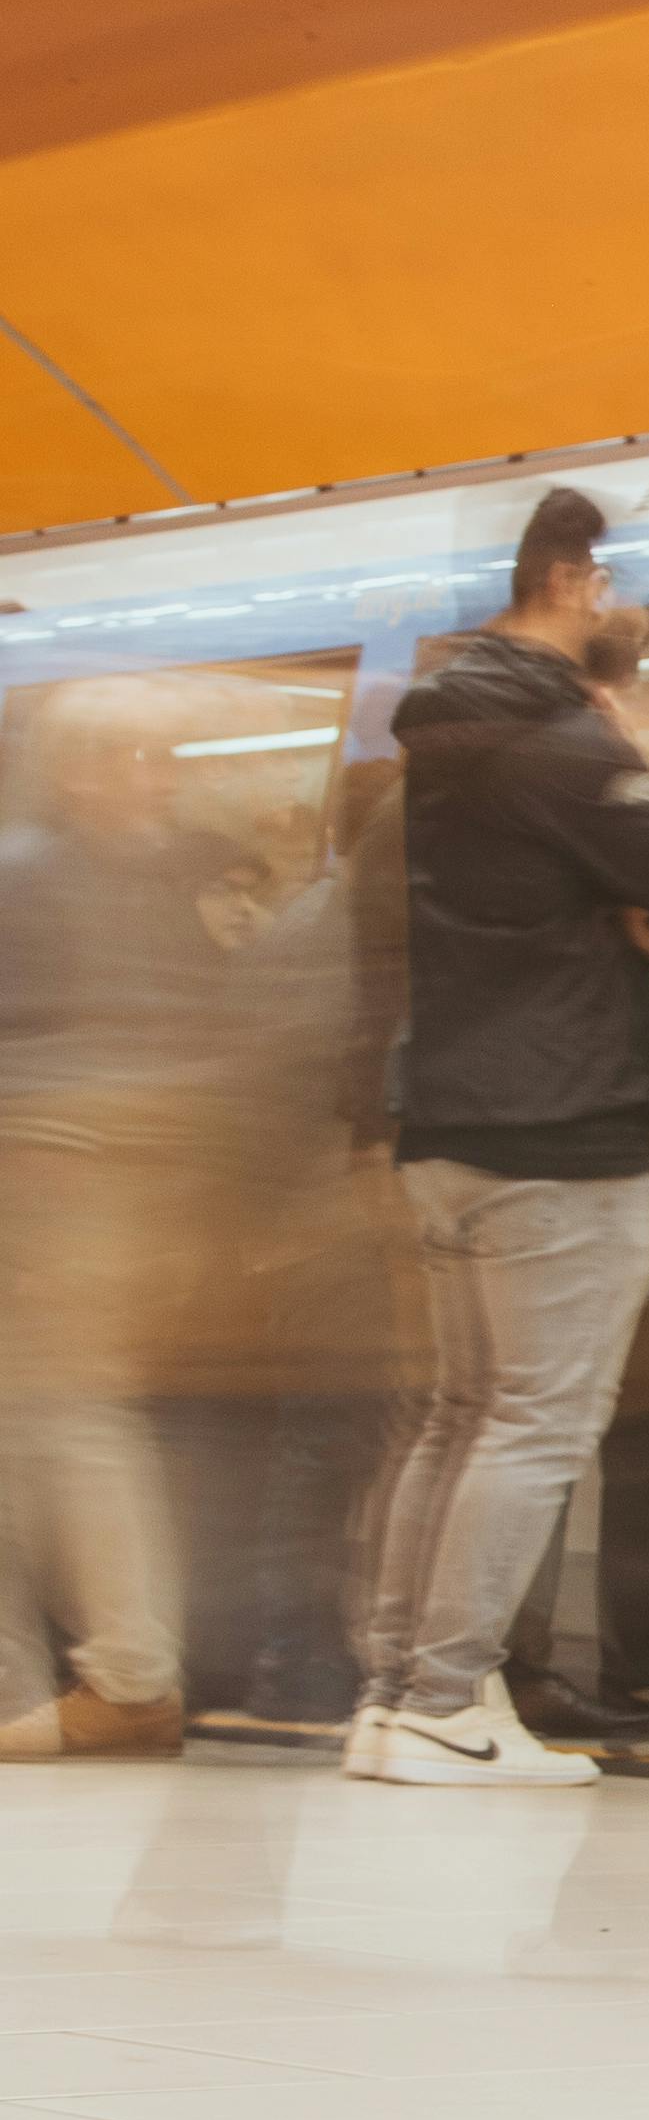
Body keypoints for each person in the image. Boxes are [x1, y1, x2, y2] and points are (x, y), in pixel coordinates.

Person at [348, 488, 649, 1789]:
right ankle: (449, 1699)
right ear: (576, 577)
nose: (647, 615)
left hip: (449, 1121)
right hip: (559, 1127)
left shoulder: (448, 732)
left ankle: (398, 1694)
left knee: (463, 1414)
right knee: (532, 1421)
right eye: (639, 590)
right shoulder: (559, 737)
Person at [0, 681, 226, 1760]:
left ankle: (129, 1676)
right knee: (54, 1423)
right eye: (140, 757)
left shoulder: (51, 877)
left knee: (72, 1421)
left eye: (165, 755)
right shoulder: (85, 879)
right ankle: (50, 1683)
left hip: (59, 1180)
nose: (163, 777)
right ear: (79, 770)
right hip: (90, 1180)